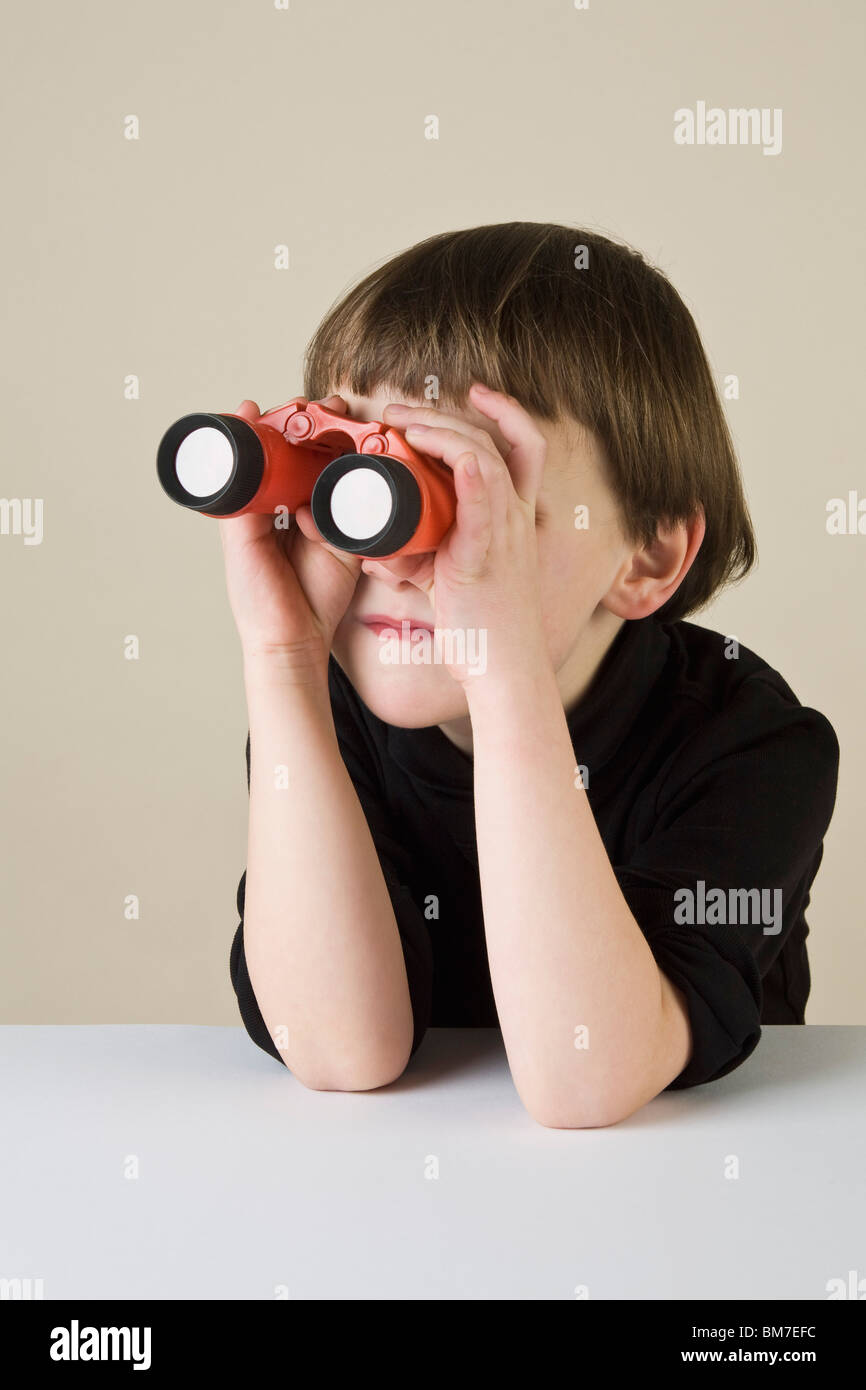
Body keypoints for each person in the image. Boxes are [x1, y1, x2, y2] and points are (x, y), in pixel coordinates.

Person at [222, 222, 839, 1127]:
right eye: (359, 482)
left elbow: (589, 1078)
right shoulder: (332, 711)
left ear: (648, 557)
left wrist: (496, 660)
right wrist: (281, 661)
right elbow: (341, 1051)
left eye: (463, 500)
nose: (394, 561)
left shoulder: (751, 743)